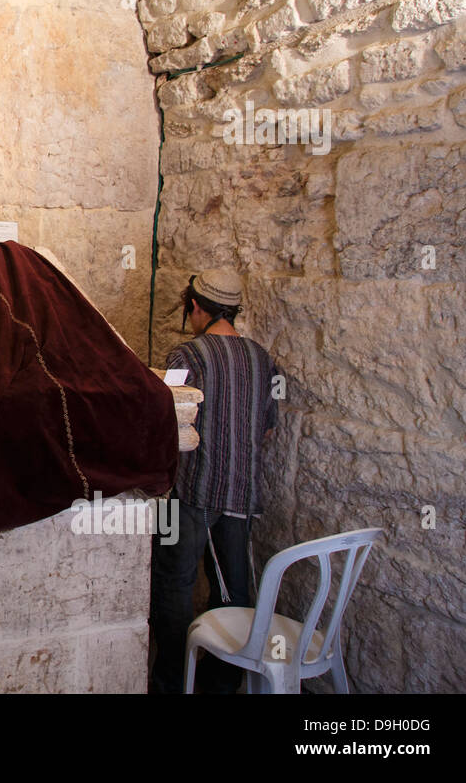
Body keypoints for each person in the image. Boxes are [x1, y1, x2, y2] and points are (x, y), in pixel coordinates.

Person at [150, 268, 278, 694]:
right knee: (233, 591)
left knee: (174, 586)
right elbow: (267, 429)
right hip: (241, 494)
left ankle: (171, 684)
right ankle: (218, 684)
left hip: (189, 490)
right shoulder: (264, 359)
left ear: (196, 307)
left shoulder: (186, 356)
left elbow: (167, 421)